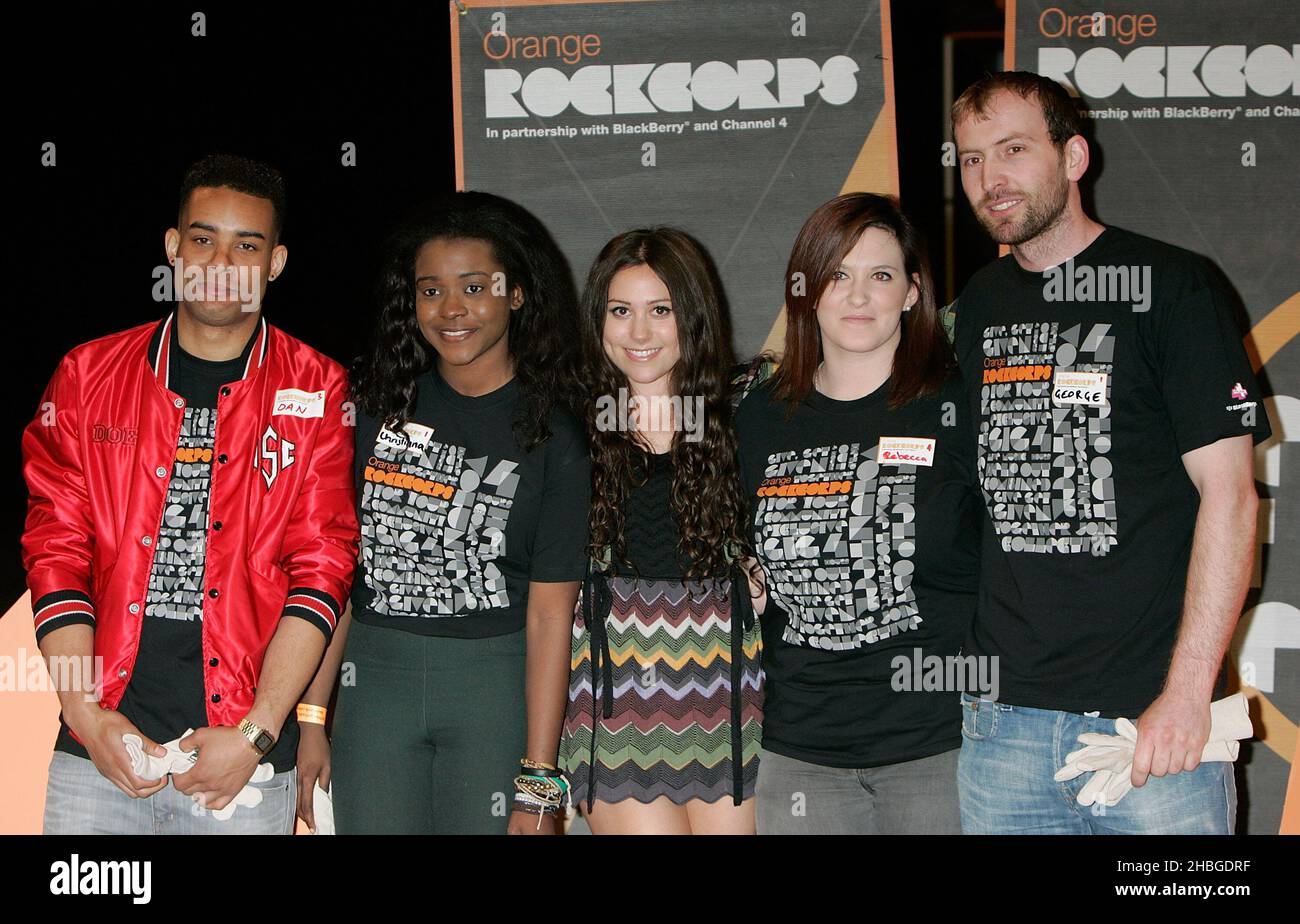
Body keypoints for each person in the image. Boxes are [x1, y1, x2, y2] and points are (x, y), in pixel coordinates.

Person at [949, 71, 1271, 834]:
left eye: (1013, 149)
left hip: (1151, 728)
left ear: (1074, 157)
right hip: (1005, 731)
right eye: (968, 159)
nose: (989, 179)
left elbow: (1231, 497)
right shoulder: (977, 308)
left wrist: (1188, 694)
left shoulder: (1172, 287)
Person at [24, 153, 359, 834]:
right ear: (173, 247)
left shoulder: (318, 389)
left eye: (248, 245)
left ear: (276, 263)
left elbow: (322, 568)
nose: (222, 262)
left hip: (243, 762)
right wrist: (86, 716)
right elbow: (55, 548)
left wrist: (257, 733)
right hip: (101, 751)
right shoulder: (88, 375)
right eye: (204, 239)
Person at [297, 191, 590, 834]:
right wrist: (314, 719)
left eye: (475, 286)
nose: (452, 310)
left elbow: (549, 616)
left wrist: (539, 783)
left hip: (493, 689)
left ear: (516, 294)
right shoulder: (371, 408)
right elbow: (341, 576)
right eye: (431, 291)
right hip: (373, 683)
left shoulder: (554, 437)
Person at [735, 193, 980, 835]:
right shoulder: (758, 416)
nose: (857, 296)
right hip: (799, 754)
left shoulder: (958, 403)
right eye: (836, 275)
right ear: (808, 290)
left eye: (880, 276)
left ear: (911, 292)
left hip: (937, 747)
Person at [557, 228, 764, 835]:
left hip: (729, 698)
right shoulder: (568, 425)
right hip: (614, 702)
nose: (639, 333)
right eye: (620, 311)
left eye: (660, 310)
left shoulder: (747, 406)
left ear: (692, 315)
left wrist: (761, 569)